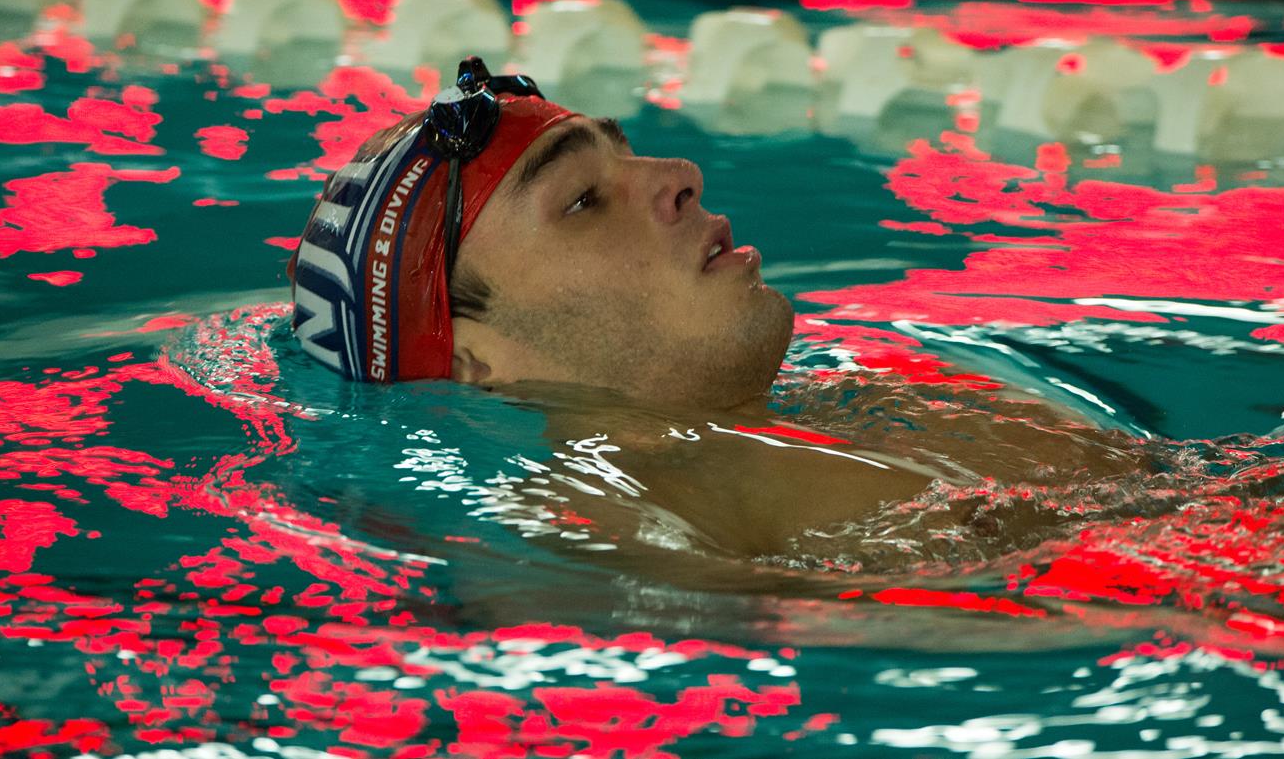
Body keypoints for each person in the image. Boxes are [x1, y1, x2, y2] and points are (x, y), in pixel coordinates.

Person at [290, 58, 1147, 567]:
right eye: (585, 200)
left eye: (628, 152)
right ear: (472, 360)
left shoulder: (903, 395)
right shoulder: (588, 541)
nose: (679, 173)